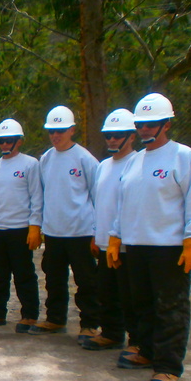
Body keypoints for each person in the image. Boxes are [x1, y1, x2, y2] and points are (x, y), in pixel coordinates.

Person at [109, 93, 191, 381]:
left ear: (166, 124)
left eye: (152, 124)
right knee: (142, 303)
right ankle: (146, 351)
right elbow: (123, 203)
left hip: (169, 247)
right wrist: (115, 236)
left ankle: (168, 367)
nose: (145, 130)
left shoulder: (184, 157)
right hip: (136, 245)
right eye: (141, 125)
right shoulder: (134, 162)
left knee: (170, 307)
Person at [29, 105, 100, 343]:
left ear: (72, 130)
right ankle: (55, 318)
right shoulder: (46, 159)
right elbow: (40, 194)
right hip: (54, 232)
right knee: (54, 278)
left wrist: (96, 232)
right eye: (51, 131)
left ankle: (89, 324)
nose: (55, 136)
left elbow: (97, 195)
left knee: (86, 280)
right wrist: (36, 226)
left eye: (60, 130)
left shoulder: (84, 158)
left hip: (80, 231)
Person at [0, 119, 42, 333]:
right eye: (1, 141)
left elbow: (37, 198)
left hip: (20, 230)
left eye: (8, 140)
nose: (4, 144)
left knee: (24, 275)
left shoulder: (30, 165)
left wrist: (35, 226)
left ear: (19, 141)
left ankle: (29, 315)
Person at [85, 109, 138, 350]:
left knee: (132, 296)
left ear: (132, 136)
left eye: (118, 135)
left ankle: (138, 342)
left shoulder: (138, 163)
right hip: (105, 242)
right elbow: (98, 203)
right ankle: (111, 333)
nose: (113, 140)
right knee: (106, 292)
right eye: (109, 136)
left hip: (129, 244)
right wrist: (96, 234)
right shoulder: (103, 166)